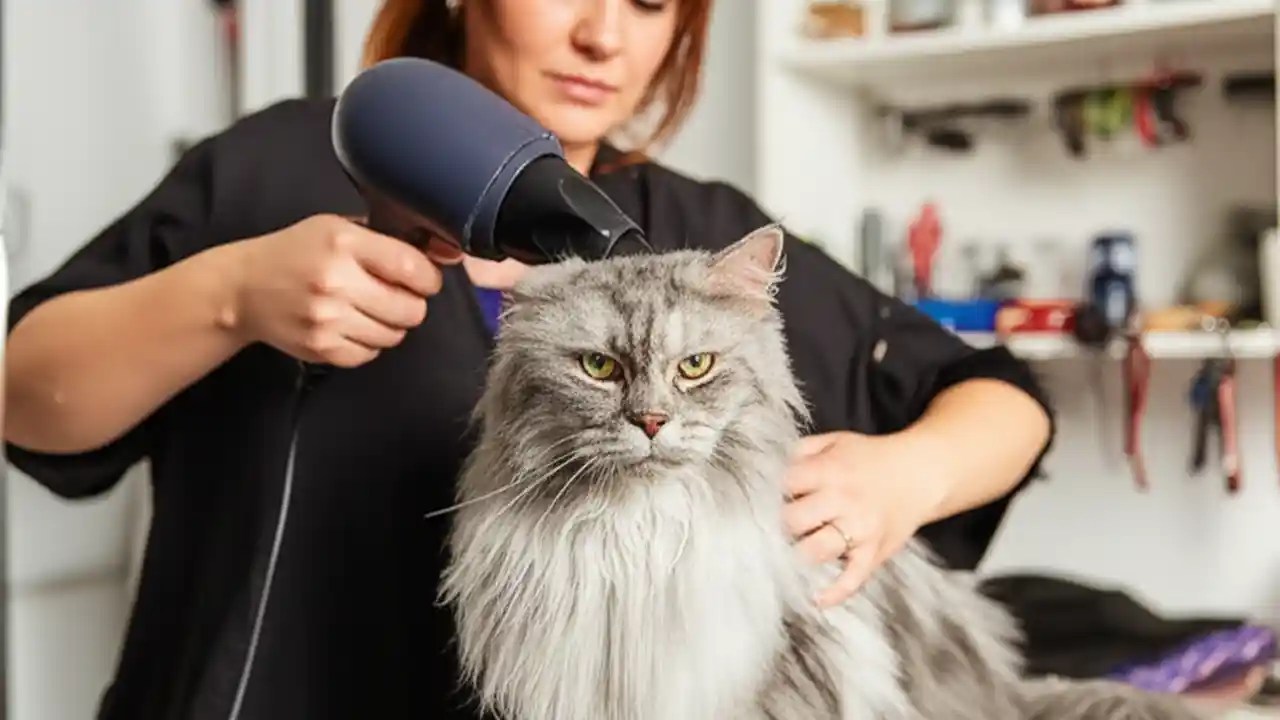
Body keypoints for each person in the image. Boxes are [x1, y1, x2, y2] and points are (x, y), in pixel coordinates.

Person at [4, 0, 1055, 718]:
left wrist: (902, 473)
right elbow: (24, 398)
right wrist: (225, 298)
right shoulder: (274, 167)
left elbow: (999, 402)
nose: (601, 35)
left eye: (648, 4)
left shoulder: (698, 241)